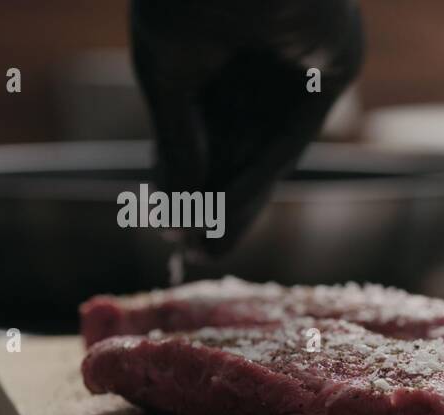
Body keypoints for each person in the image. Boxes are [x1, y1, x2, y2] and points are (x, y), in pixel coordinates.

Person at [130, 0, 364, 260]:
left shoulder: (319, 68)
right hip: (308, 31)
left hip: (303, 39)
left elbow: (178, 145)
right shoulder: (317, 66)